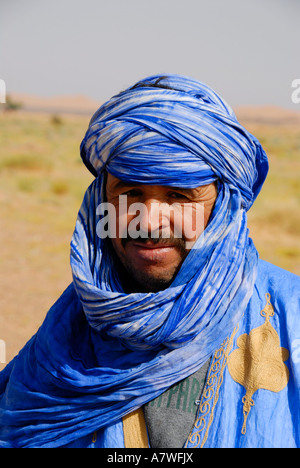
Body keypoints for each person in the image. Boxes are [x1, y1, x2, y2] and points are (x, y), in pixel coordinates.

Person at [0, 74, 299, 448]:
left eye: (178, 195)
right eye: (131, 192)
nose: (148, 220)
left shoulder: (291, 317)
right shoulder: (62, 342)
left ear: (222, 207)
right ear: (102, 201)